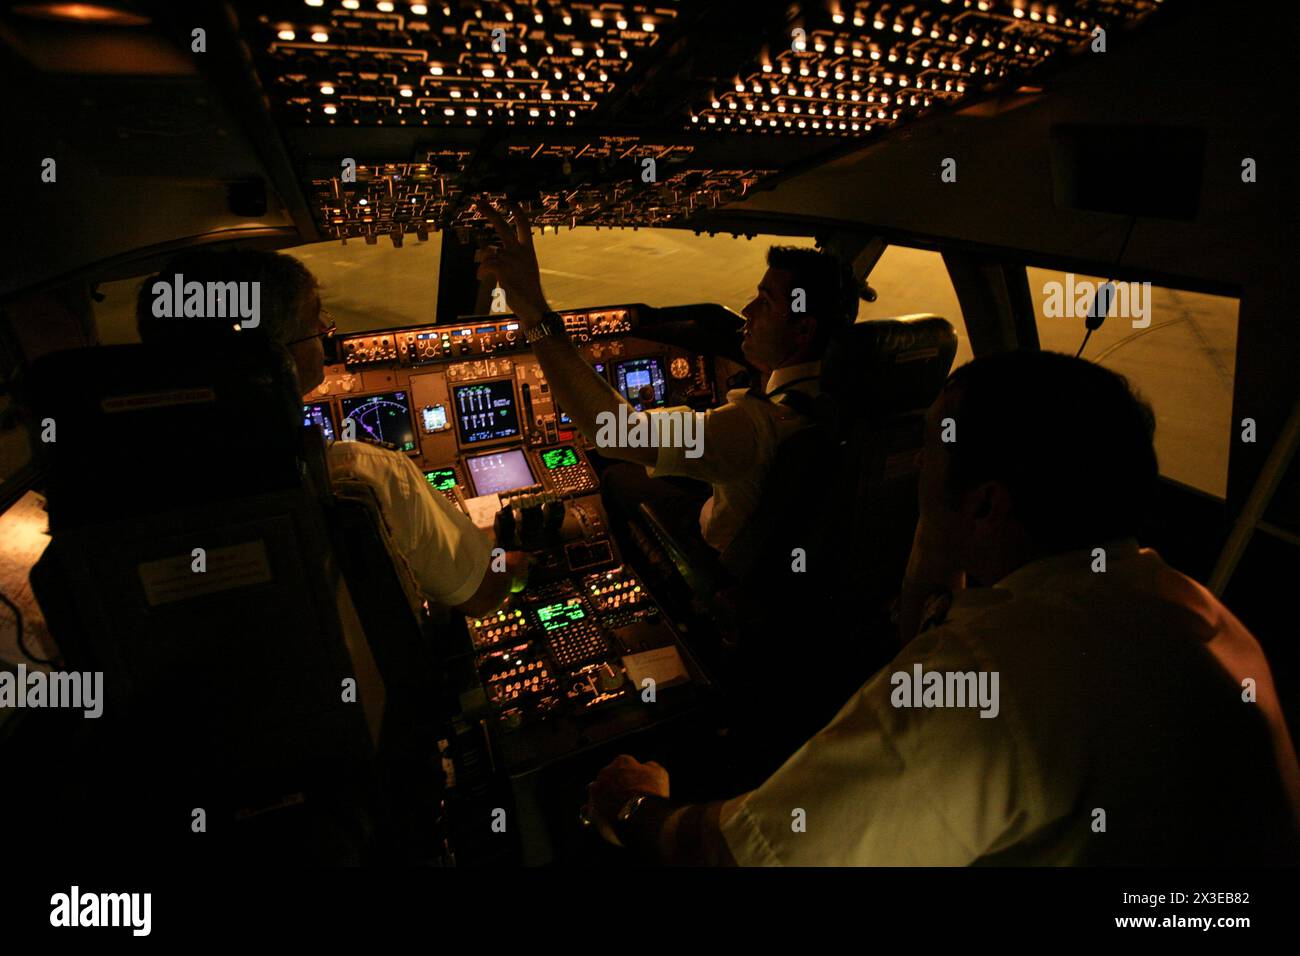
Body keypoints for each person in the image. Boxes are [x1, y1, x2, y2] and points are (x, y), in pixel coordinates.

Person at [579, 351, 1300, 865]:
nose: (917, 470)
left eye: (929, 452)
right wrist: (936, 559)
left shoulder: (990, 678)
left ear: (987, 503)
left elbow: (738, 855)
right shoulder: (1192, 608)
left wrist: (634, 805)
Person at [135, 248, 526, 616]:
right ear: (276, 357)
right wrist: (509, 559)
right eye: (313, 325)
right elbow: (480, 594)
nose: (326, 333)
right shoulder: (362, 472)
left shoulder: (120, 479)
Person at [474, 200, 857, 555]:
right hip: (793, 551)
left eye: (766, 303)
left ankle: (651, 593)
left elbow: (612, 432)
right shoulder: (847, 392)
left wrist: (536, 317)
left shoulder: (750, 428)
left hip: (728, 562)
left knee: (618, 477)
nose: (747, 310)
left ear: (804, 330)